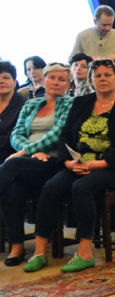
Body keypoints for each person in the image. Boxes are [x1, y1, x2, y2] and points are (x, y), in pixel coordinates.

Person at [24, 59, 115, 273]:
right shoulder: (81, 103)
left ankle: (85, 251)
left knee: (82, 188)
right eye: (97, 75)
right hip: (80, 164)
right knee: (51, 187)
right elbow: (64, 137)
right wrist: (68, 163)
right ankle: (39, 252)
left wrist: (100, 163)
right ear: (90, 80)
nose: (102, 79)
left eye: (107, 75)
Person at [0, 62, 72, 265]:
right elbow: (16, 133)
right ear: (44, 79)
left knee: (11, 166)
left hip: (53, 162)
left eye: (62, 79)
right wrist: (30, 151)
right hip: (27, 162)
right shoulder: (31, 104)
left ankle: (19, 246)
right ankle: (17, 246)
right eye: (52, 78)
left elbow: (57, 135)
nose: (56, 82)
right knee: (12, 187)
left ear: (68, 84)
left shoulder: (70, 104)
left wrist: (25, 151)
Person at [0, 61, 27, 163]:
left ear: (15, 82)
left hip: (11, 155)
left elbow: (16, 136)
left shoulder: (24, 105)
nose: (1, 81)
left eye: (6, 77)